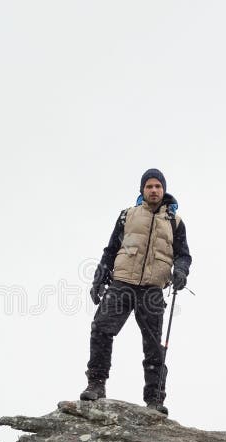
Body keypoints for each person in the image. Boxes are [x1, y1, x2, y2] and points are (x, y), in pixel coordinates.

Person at [81, 168, 192, 415]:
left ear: (164, 190)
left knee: (154, 345)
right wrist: (100, 277)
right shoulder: (127, 216)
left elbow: (184, 255)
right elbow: (111, 249)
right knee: (100, 329)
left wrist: (181, 271)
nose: (154, 190)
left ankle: (154, 400)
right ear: (142, 190)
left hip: (153, 288)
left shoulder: (175, 222)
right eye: (149, 186)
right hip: (121, 282)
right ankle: (96, 384)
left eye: (158, 187)